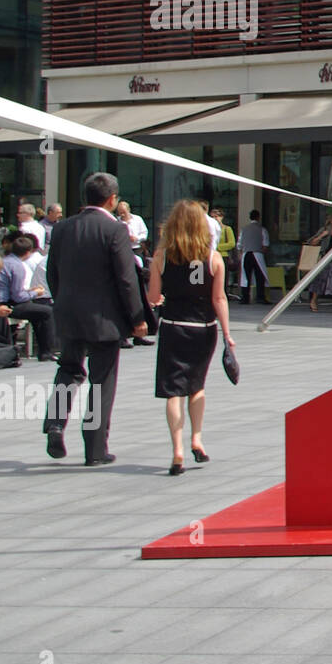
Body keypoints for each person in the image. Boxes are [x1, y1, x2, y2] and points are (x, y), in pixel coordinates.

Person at [41, 172, 149, 465]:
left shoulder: (62, 228)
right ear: (112, 199)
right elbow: (126, 279)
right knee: (102, 381)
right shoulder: (114, 229)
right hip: (104, 318)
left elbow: (52, 272)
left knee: (68, 370)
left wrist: (62, 300)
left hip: (68, 313)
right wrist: (137, 317)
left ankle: (55, 424)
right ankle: (95, 448)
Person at [147, 200, 234, 476]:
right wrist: (227, 334)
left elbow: (153, 297)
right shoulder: (213, 258)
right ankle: (197, 438)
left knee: (173, 391)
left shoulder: (162, 256)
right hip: (203, 328)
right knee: (197, 386)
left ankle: (177, 450)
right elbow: (219, 299)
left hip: (173, 327)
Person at [0, 233, 59, 360]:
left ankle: (45, 351)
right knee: (47, 311)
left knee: (37, 311)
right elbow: (18, 297)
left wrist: (29, 291)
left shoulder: (6, 261)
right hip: (8, 304)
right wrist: (36, 293)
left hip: (7, 300)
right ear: (28, 252)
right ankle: (46, 350)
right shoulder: (18, 266)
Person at [237, 210, 271, 305]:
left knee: (245, 276)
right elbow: (265, 244)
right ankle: (260, 297)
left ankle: (245, 297)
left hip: (246, 253)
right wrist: (262, 251)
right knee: (260, 276)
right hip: (257, 254)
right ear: (258, 217)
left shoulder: (244, 229)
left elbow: (239, 244)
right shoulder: (262, 229)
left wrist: (241, 253)